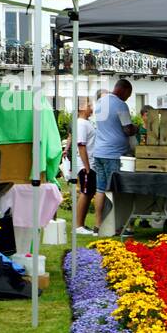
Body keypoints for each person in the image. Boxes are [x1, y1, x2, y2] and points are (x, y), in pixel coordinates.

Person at [91, 79, 137, 233]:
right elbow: (127, 130)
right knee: (117, 190)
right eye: (128, 95)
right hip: (114, 153)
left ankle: (98, 224)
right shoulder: (120, 105)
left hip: (99, 151)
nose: (127, 98)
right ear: (124, 90)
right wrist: (136, 128)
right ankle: (116, 225)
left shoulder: (100, 102)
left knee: (100, 189)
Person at [73, 97, 97, 234]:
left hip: (89, 164)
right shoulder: (81, 123)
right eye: (89, 105)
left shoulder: (86, 123)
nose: (91, 107)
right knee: (85, 192)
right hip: (85, 165)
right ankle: (78, 226)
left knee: (89, 192)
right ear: (82, 107)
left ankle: (80, 224)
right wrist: (87, 167)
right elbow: (81, 145)